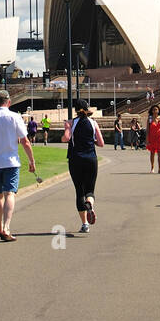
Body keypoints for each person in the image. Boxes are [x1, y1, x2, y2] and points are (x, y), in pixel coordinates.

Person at [0, 91, 36, 242]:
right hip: (10, 161)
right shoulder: (15, 117)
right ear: (9, 102)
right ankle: (6, 227)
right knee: (9, 193)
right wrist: (31, 161)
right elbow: (25, 141)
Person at [62, 99, 105, 233]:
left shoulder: (71, 122)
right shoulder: (93, 123)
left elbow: (66, 138)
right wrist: (92, 141)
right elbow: (101, 143)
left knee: (79, 191)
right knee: (90, 190)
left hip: (76, 160)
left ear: (75, 109)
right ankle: (90, 204)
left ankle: (85, 223)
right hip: (91, 159)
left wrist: (65, 132)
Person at [145, 105, 160, 173]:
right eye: (154, 109)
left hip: (159, 137)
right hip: (152, 137)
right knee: (152, 152)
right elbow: (148, 130)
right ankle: (152, 168)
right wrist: (147, 139)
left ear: (158, 110)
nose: (155, 111)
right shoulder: (150, 119)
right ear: (151, 111)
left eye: (156, 109)